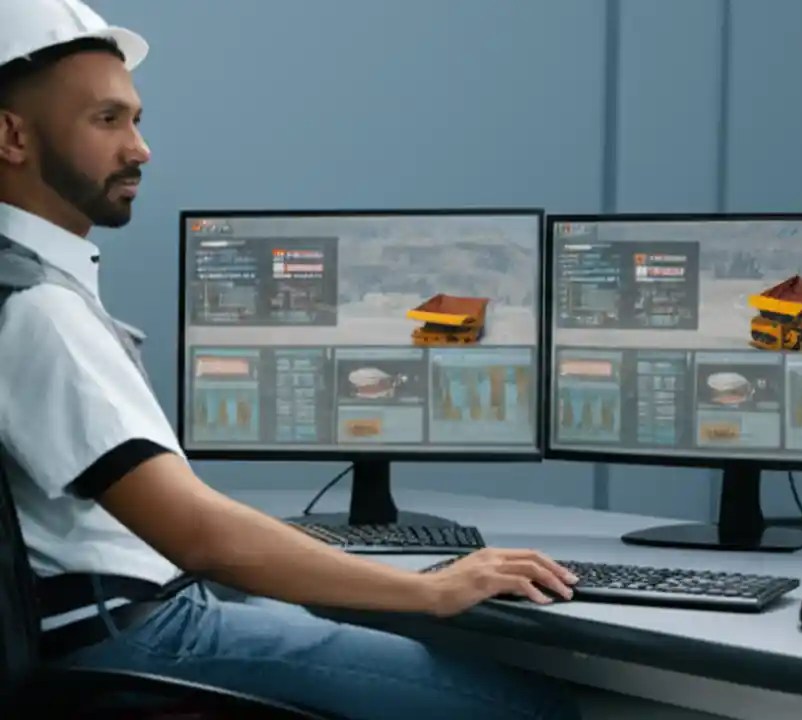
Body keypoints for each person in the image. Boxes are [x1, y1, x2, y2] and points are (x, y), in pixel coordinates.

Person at [0, 2, 581, 718]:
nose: (140, 150)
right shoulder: (37, 308)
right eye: (106, 120)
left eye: (137, 120)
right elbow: (200, 536)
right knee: (526, 708)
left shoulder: (27, 284)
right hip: (134, 639)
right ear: (11, 135)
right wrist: (430, 588)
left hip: (112, 632)